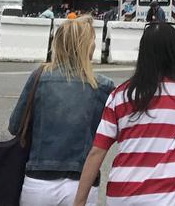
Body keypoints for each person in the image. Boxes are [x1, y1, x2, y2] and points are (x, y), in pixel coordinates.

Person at [72, 22, 175, 205]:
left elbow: (97, 152)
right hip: (165, 197)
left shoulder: (120, 95)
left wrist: (79, 201)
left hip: (121, 194)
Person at [10, 17, 114, 205]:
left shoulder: (39, 77)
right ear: (85, 46)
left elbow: (16, 126)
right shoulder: (103, 86)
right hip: (81, 182)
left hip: (39, 180)